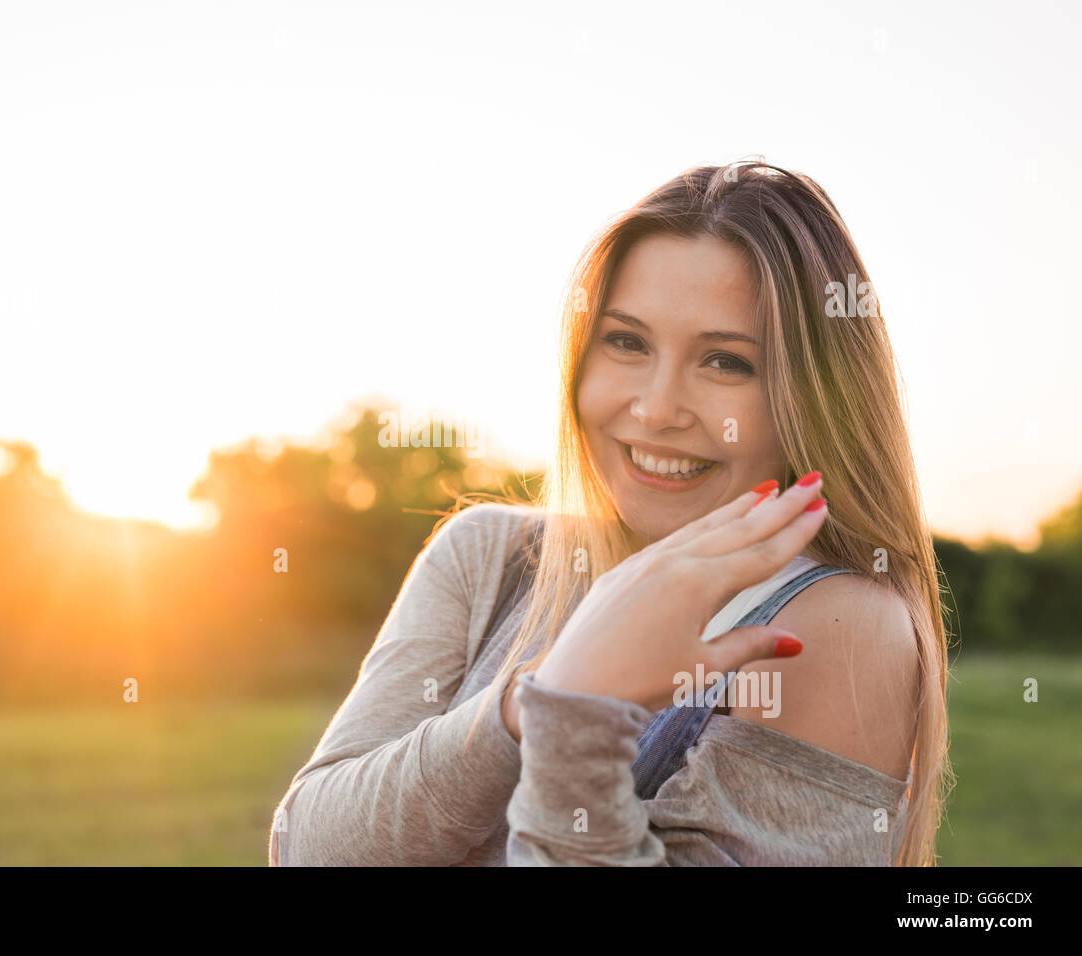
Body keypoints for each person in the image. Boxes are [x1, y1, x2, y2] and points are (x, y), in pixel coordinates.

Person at [270, 161, 952, 866]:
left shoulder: (836, 625)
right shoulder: (488, 557)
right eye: (626, 342)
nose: (657, 409)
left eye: (726, 362)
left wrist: (577, 719)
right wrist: (526, 706)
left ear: (815, 399)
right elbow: (306, 847)